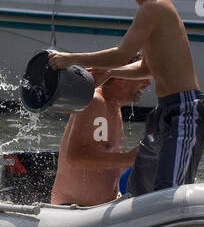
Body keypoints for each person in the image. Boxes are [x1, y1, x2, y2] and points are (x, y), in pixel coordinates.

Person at [48, 0, 204, 197]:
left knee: (169, 191)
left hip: (185, 108)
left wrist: (71, 59)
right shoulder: (149, 10)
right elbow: (147, 68)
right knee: (139, 189)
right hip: (164, 109)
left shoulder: (154, 7)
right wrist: (112, 73)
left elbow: (122, 54)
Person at [50, 71, 152, 206]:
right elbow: (75, 157)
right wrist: (127, 159)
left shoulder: (113, 107)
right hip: (74, 210)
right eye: (142, 77)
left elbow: (105, 160)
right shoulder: (95, 101)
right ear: (122, 77)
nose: (148, 83)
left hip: (97, 210)